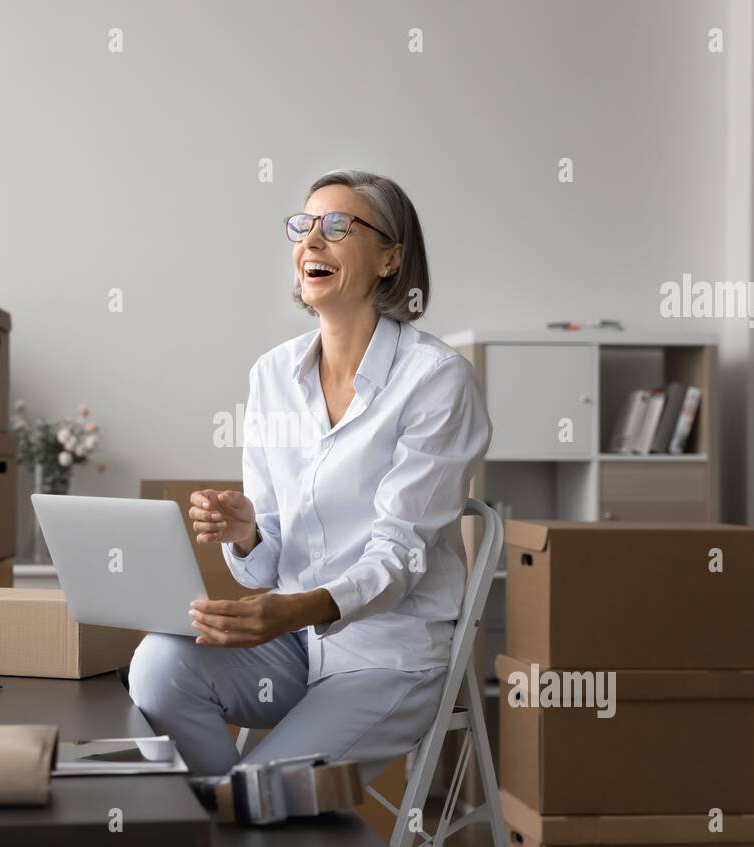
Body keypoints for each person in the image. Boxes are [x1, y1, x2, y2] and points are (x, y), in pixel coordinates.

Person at [128, 168, 491, 783]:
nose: (312, 242)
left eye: (339, 226)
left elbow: (398, 558)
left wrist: (293, 610)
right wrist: (247, 534)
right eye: (304, 225)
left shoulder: (436, 380)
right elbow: (266, 561)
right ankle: (231, 818)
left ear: (390, 258)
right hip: (293, 648)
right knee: (157, 667)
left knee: (262, 791)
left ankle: (239, 815)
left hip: (386, 656)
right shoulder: (272, 374)